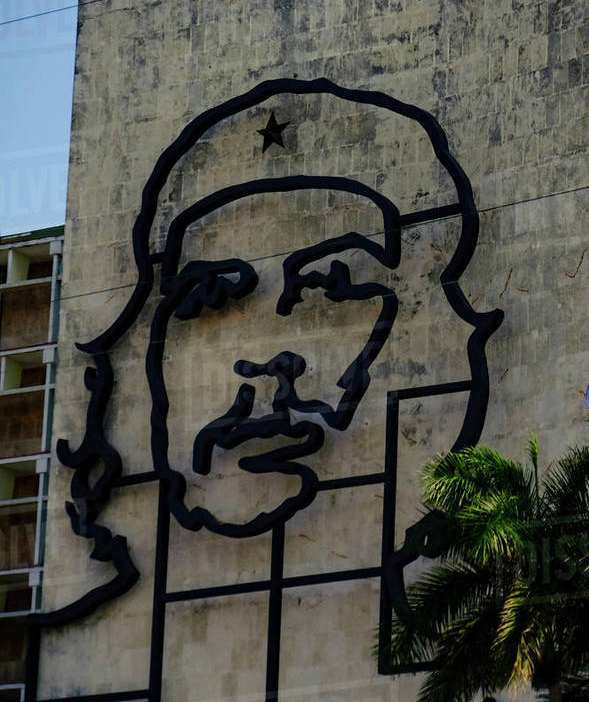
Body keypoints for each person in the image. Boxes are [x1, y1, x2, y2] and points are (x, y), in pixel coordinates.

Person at [33, 79, 503, 696]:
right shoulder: (78, 673)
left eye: (333, 290)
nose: (268, 363)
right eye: (208, 302)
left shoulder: (518, 636)